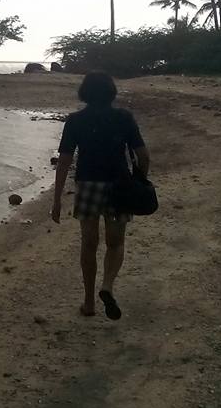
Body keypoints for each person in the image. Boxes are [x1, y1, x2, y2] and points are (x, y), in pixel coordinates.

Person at [51, 72, 149, 320]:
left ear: (84, 92)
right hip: (119, 186)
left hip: (88, 185)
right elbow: (143, 156)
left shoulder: (75, 121)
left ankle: (88, 302)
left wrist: (57, 199)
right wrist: (139, 181)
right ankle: (107, 286)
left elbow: (64, 161)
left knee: (89, 244)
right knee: (115, 243)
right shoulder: (124, 118)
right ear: (111, 92)